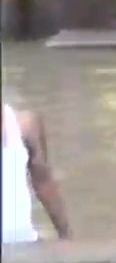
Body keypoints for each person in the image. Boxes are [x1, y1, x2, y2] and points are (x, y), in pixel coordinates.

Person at [2, 100, 73, 244]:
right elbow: (44, 183)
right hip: (22, 244)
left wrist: (65, 235)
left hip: (22, 242)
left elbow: (43, 182)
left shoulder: (24, 124)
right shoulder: (24, 123)